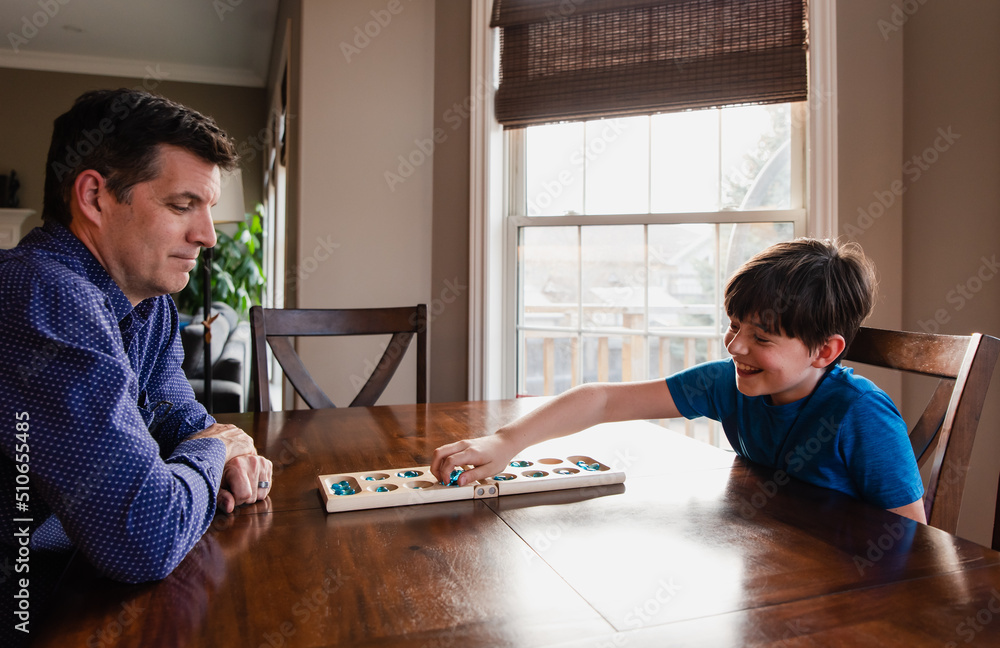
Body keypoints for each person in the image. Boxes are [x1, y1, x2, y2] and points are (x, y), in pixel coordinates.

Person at [431, 238, 926, 523]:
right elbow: (602, 400)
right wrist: (505, 441)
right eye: (734, 326)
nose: (735, 348)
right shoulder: (726, 384)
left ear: (825, 351)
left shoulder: (861, 416)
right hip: (766, 558)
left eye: (762, 338)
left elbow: (911, 546)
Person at [0, 88, 273, 588]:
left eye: (207, 208)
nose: (209, 236)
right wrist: (216, 451)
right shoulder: (42, 295)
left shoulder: (151, 309)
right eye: (182, 205)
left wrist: (216, 451)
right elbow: (144, 538)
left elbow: (186, 426)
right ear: (94, 198)